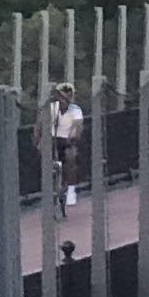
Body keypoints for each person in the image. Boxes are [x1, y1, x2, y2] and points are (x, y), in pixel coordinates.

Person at [47, 83, 87, 214]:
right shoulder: (51, 108)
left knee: (71, 158)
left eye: (69, 96)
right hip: (53, 140)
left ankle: (71, 190)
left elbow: (78, 127)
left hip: (68, 141)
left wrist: (73, 136)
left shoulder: (75, 110)